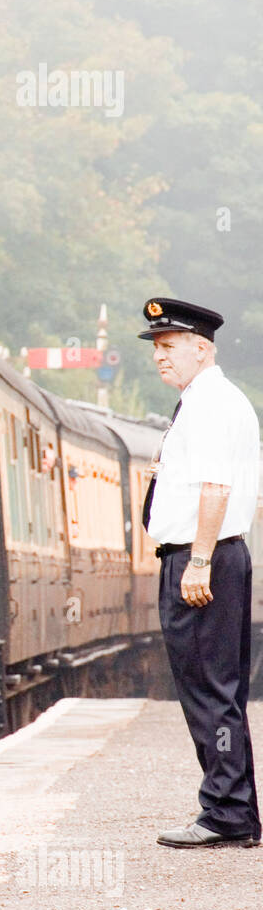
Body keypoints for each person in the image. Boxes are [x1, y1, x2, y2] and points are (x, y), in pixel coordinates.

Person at [139, 297, 261, 847]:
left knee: (209, 691)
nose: (160, 358)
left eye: (168, 347)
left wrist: (201, 559)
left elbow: (217, 487)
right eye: (157, 349)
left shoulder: (209, 403)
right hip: (211, 553)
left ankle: (227, 814)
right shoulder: (212, 400)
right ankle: (230, 808)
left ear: (201, 348)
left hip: (200, 557)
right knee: (218, 690)